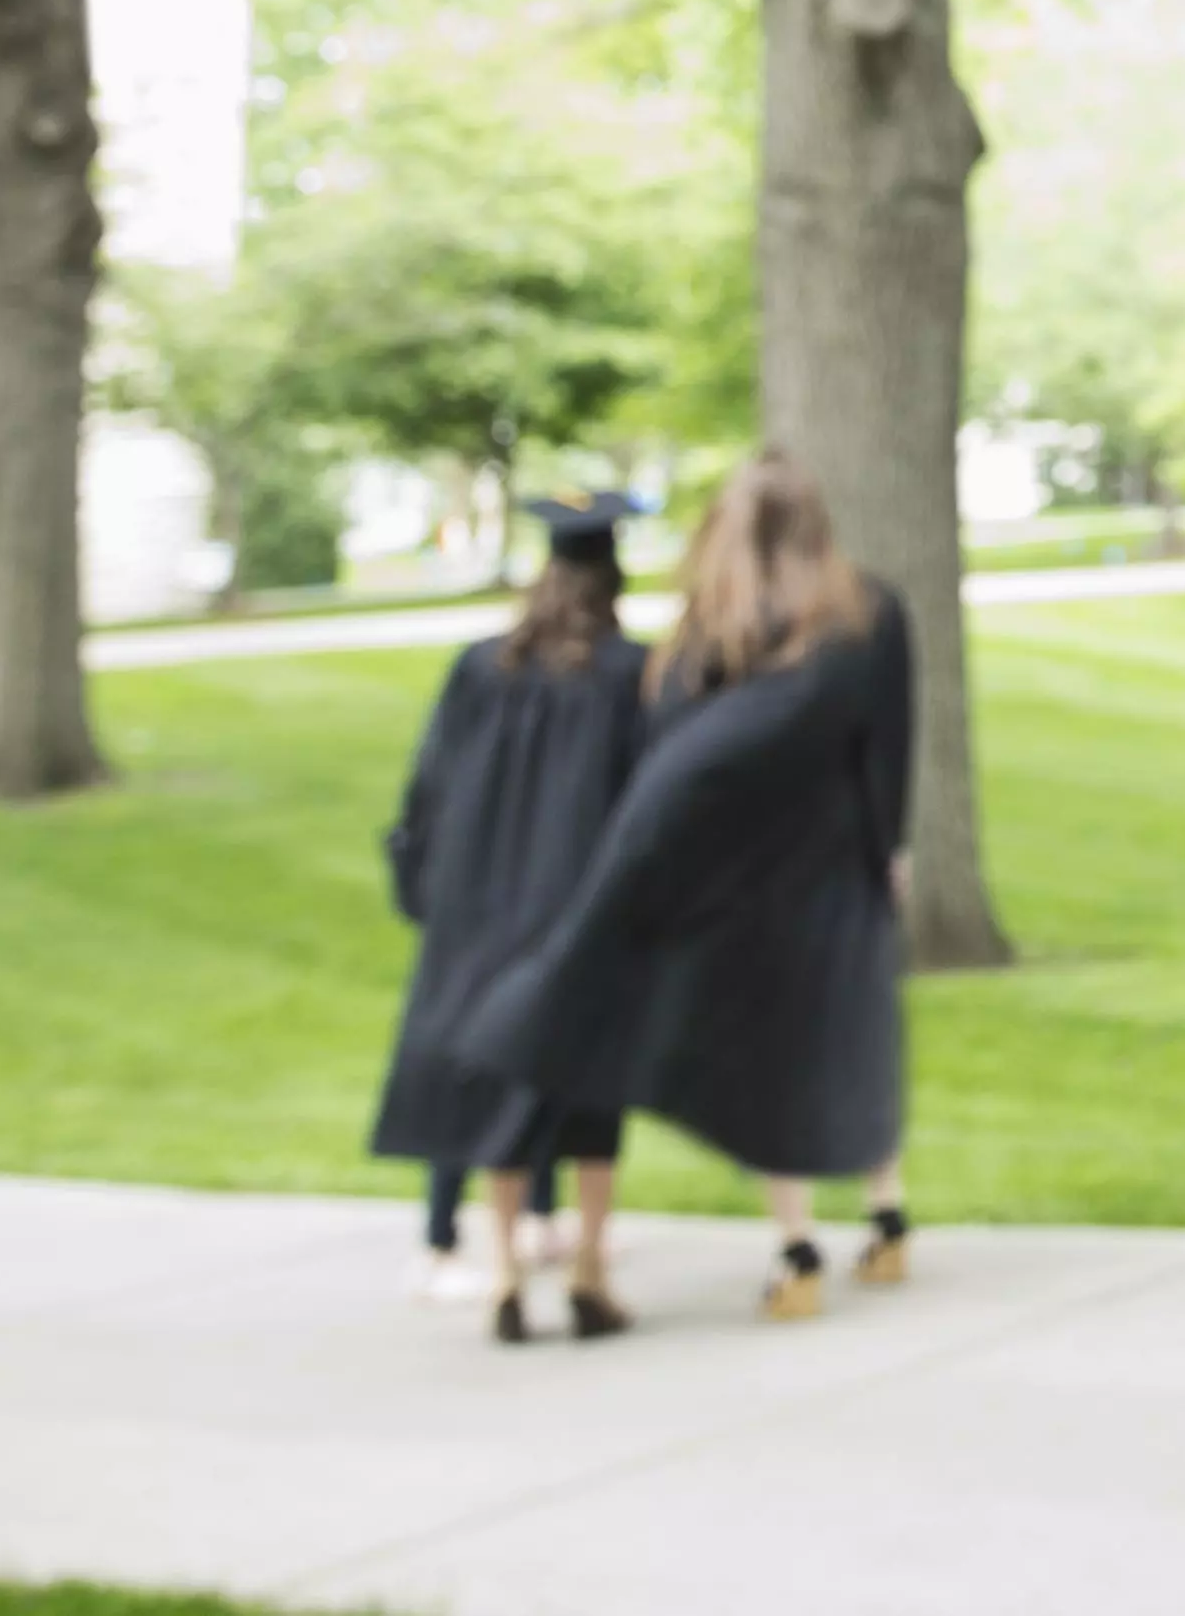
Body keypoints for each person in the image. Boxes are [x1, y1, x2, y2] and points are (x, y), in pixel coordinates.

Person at [466, 450, 917, 1325]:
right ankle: (887, 1215)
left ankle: (796, 1249)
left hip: (749, 871)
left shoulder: (710, 626)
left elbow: (674, 748)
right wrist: (889, 847)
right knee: (852, 1036)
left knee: (774, 1050)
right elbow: (888, 743)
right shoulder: (869, 611)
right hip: (835, 858)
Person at [371, 492, 645, 1344]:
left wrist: (428, 895)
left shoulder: (478, 669)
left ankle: (504, 1272)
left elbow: (429, 791)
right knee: (592, 1095)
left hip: (484, 913)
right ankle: (591, 1269)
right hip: (585, 915)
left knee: (499, 1087)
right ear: (614, 576)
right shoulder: (633, 673)